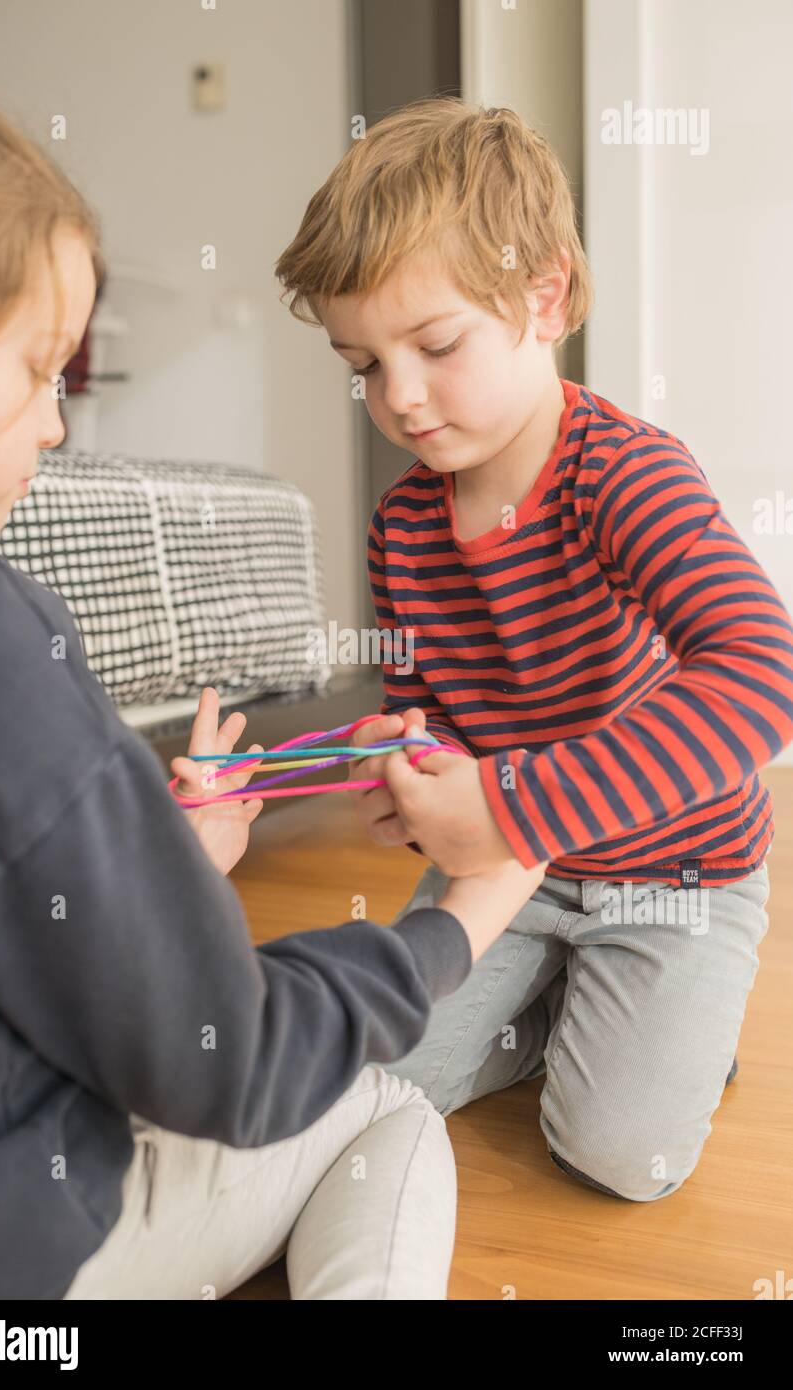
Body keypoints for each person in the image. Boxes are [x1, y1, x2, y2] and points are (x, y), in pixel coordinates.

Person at [0, 74, 547, 1301]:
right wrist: (463, 911)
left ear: (546, 304)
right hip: (2, 1257)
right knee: (387, 1108)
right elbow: (235, 1064)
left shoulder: (625, 479)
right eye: (39, 367)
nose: (55, 428)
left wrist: (150, 867)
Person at [274, 97, 793, 1202]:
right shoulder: (402, 526)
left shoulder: (624, 475)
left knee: (616, 1155)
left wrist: (512, 805)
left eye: (435, 345)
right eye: (361, 363)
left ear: (542, 294)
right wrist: (400, 758)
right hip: (504, 873)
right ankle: (567, 1009)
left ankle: (657, 1021)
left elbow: (761, 671)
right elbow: (430, 705)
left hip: (674, 869)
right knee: (379, 1081)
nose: (398, 397)